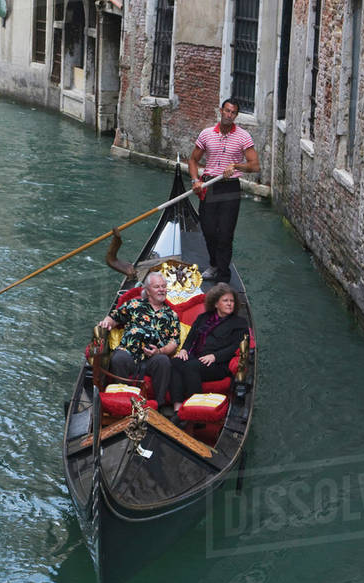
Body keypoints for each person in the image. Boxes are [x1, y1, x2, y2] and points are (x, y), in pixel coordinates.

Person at [189, 98, 260, 282]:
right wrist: (195, 180)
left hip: (229, 187)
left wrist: (236, 165)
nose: (229, 115)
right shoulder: (206, 134)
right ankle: (214, 264)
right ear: (221, 111)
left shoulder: (244, 137)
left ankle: (223, 276)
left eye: (233, 113)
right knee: (209, 230)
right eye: (227, 111)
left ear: (236, 115)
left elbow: (255, 166)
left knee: (226, 234)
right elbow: (193, 160)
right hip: (208, 185)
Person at [97, 270, 179, 408]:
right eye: (157, 287)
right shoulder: (134, 305)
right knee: (118, 358)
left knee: (164, 361)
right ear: (147, 291)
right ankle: (123, 403)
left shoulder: (171, 315)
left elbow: (174, 342)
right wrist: (106, 323)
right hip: (129, 353)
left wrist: (160, 351)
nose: (162, 290)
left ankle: (157, 406)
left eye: (163, 286)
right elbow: (113, 317)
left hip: (154, 358)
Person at [168, 284, 248, 409]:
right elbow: (191, 337)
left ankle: (195, 408)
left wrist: (215, 356)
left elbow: (235, 347)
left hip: (219, 364)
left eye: (232, 301)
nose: (229, 304)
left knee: (191, 367)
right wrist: (184, 349)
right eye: (225, 300)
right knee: (175, 362)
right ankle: (177, 406)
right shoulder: (203, 318)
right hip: (197, 357)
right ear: (216, 304)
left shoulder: (239, 323)